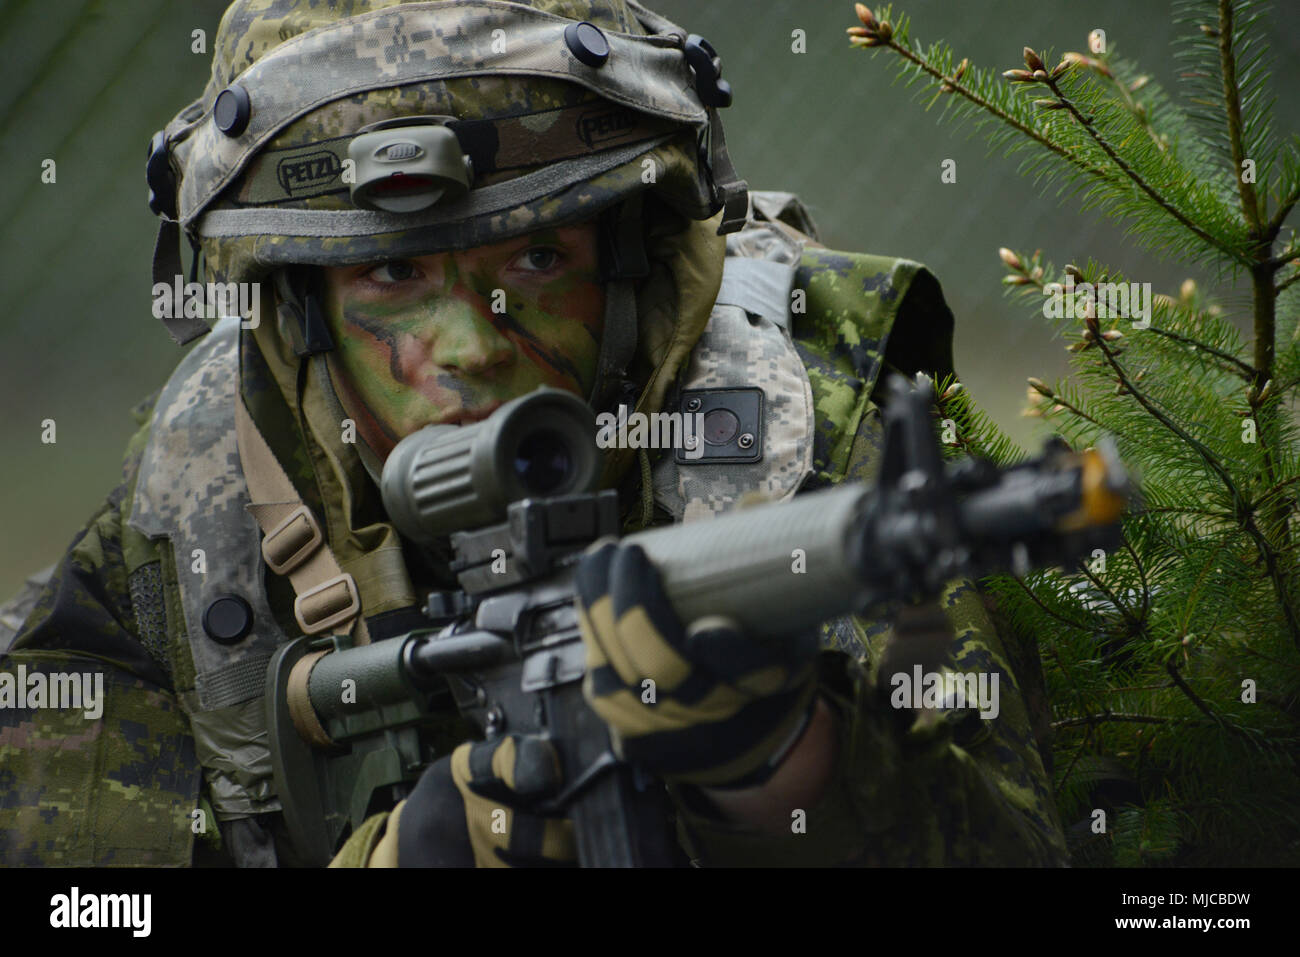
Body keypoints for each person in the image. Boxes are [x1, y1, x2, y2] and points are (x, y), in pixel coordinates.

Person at [0, 0, 1067, 867]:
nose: (467, 347)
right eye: (393, 274)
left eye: (536, 261)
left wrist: (790, 770)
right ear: (296, 313)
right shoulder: (206, 510)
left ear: (632, 259)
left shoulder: (800, 436)